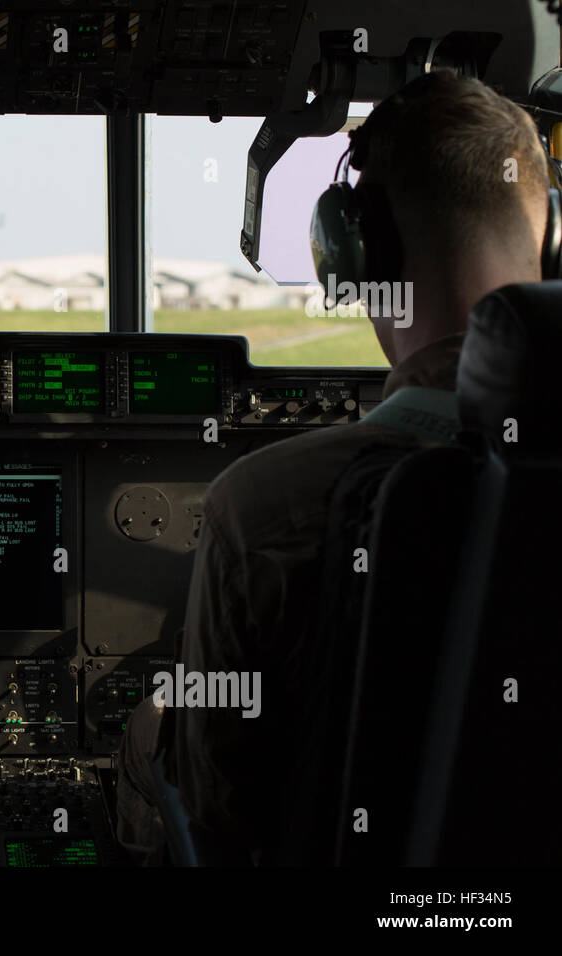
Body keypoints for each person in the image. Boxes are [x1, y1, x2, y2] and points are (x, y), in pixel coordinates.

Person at [116, 70, 553, 864]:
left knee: (155, 730)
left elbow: (221, 814)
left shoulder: (265, 501)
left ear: (357, 252)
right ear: (550, 240)